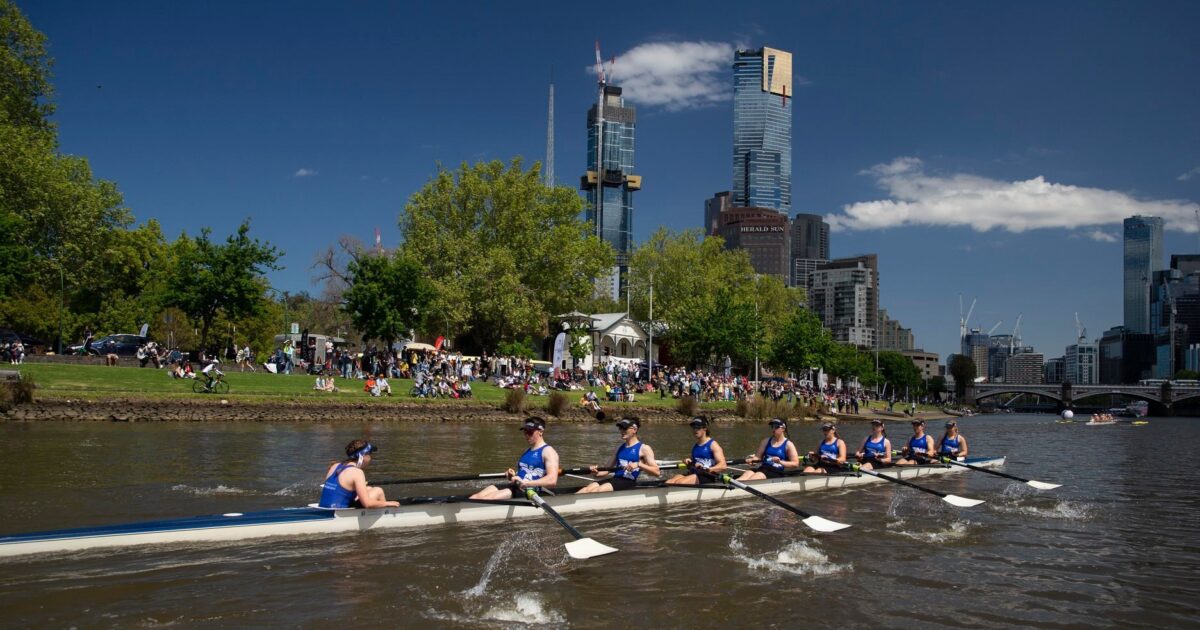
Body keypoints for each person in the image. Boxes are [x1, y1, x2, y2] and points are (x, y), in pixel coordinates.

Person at [470, 417, 560, 500]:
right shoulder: (528, 451)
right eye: (525, 432)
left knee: (487, 499)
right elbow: (525, 472)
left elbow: (552, 480)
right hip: (516, 485)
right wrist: (512, 476)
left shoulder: (548, 451)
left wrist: (526, 483)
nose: (527, 435)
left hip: (530, 490)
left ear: (541, 431)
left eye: (530, 432)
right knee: (475, 497)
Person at [578, 417, 660, 493]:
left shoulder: (644, 448)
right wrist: (596, 472)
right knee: (587, 489)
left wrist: (639, 464)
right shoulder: (619, 447)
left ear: (634, 429)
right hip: (616, 479)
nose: (622, 431)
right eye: (620, 428)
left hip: (628, 481)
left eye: (625, 428)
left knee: (599, 490)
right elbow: (607, 470)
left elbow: (656, 472)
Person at [317, 440, 399, 509]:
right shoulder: (357, 472)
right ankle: (385, 515)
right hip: (337, 511)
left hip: (324, 506)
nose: (371, 458)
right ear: (363, 456)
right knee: (378, 490)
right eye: (370, 454)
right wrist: (388, 503)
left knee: (369, 488)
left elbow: (338, 489)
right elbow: (367, 504)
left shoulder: (335, 466)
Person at [666, 416, 727, 485]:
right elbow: (695, 462)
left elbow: (723, 466)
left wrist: (707, 469)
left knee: (680, 483)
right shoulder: (696, 446)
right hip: (696, 473)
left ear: (705, 428)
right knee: (669, 482)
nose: (695, 430)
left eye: (698, 427)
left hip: (708, 476)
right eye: (693, 427)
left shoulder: (713, 445)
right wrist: (687, 461)